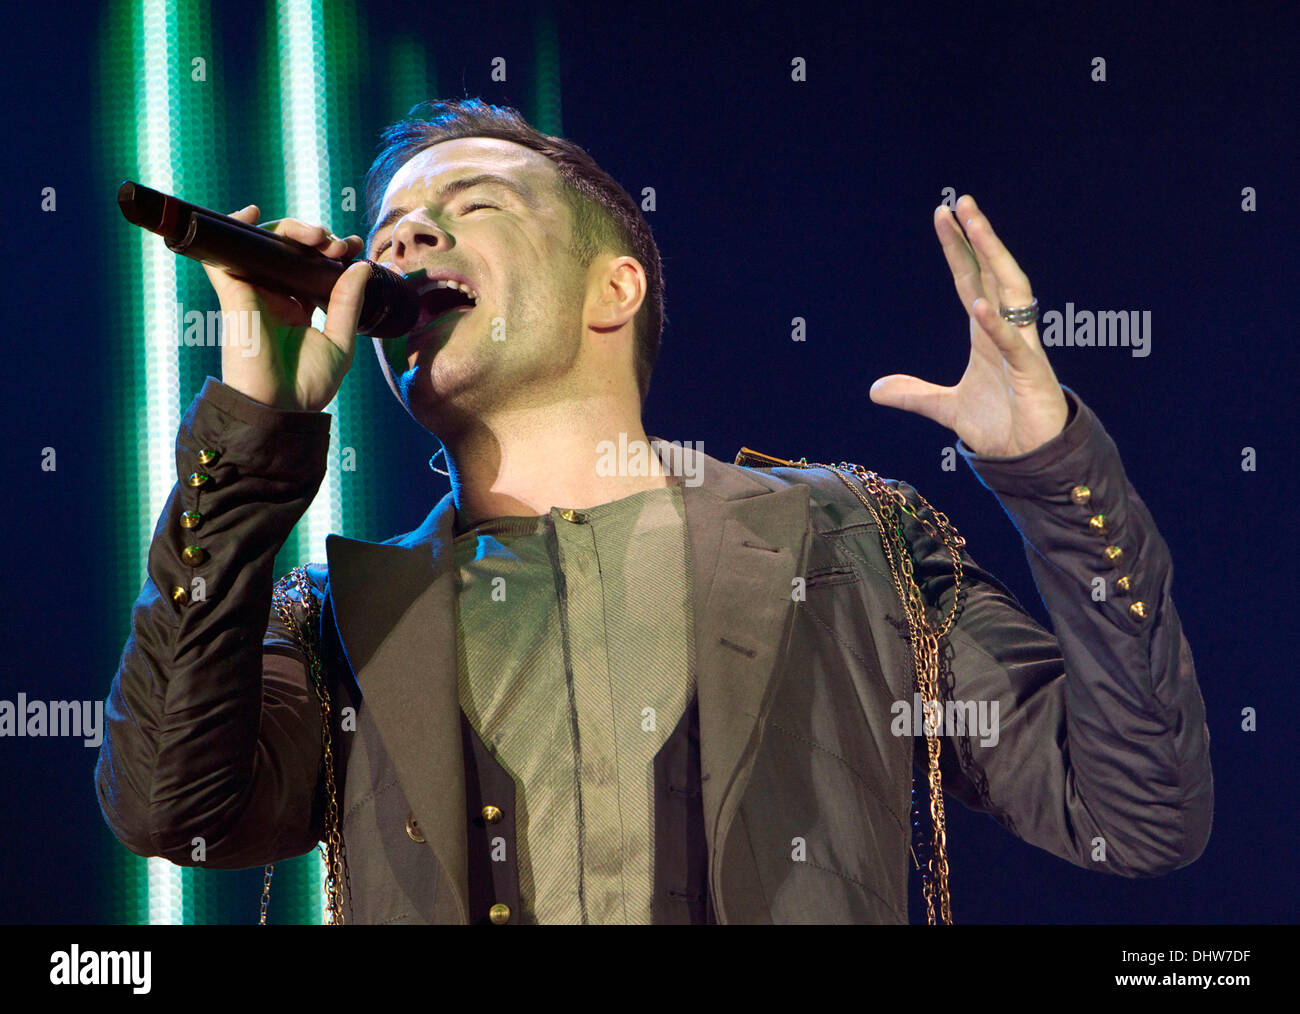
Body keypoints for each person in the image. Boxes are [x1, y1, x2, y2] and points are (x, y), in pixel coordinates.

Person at [95, 98, 1212, 925]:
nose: (403, 241)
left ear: (612, 290)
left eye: (467, 207)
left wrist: (1053, 470)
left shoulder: (852, 542)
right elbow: (168, 809)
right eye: (389, 229)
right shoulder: (336, 619)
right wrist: (255, 429)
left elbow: (1137, 812)